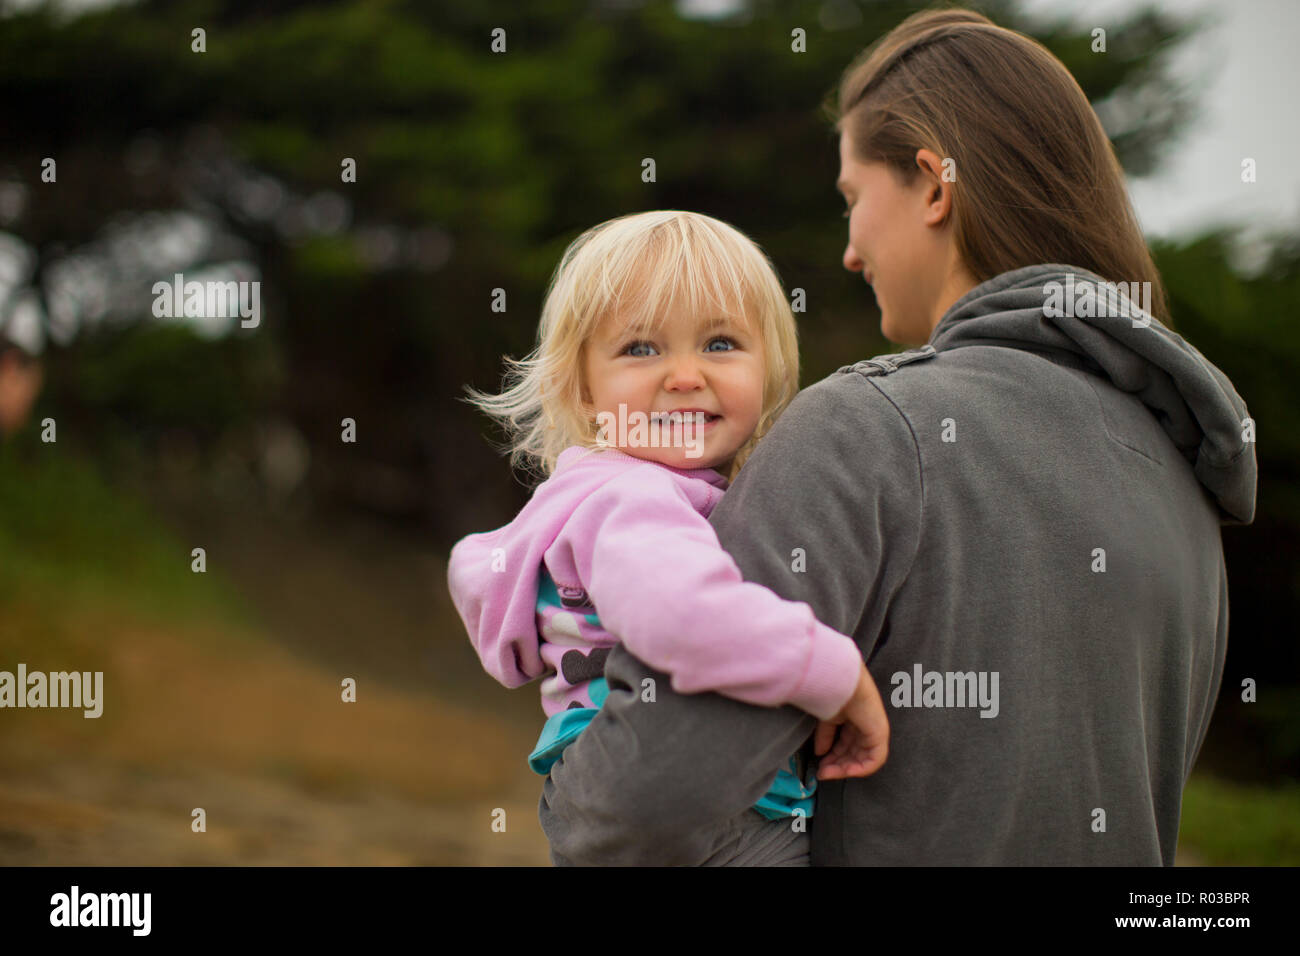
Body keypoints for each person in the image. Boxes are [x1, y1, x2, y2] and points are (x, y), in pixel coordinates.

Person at [537, 8, 1258, 865]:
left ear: (932, 184)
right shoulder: (1184, 484)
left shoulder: (868, 434)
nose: (848, 250)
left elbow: (634, 813)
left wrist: (570, 775)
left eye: (852, 199)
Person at [447, 210, 891, 866]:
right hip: (708, 826)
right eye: (641, 348)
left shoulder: (619, 492)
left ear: (768, 373)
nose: (685, 375)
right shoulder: (631, 499)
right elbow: (681, 616)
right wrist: (836, 673)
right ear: (585, 390)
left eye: (719, 344)